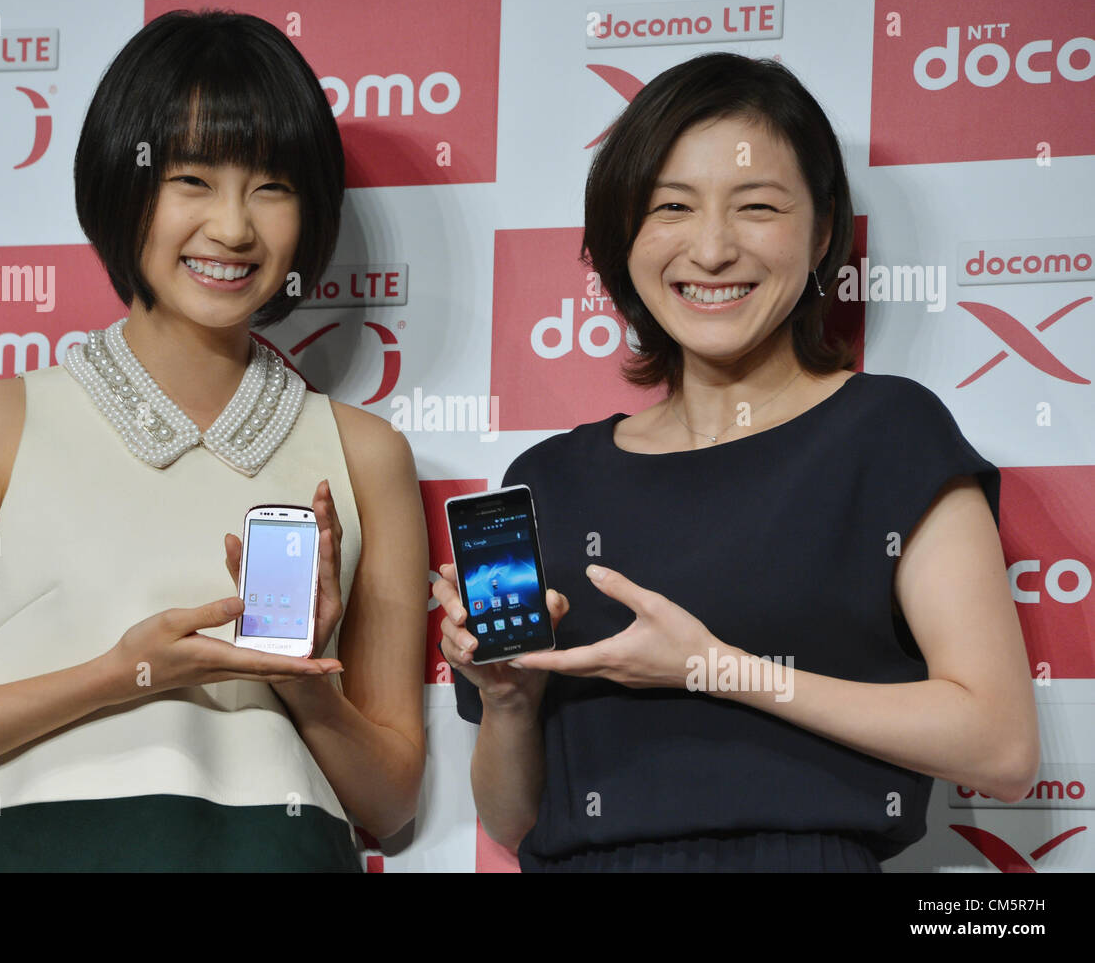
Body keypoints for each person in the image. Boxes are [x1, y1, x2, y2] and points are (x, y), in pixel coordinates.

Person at [0, 10, 427, 872]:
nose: (232, 228)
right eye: (191, 180)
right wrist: (119, 673)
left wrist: (306, 686)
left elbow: (391, 799)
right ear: (122, 183)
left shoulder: (364, 454)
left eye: (272, 186)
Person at [437, 52, 1039, 872]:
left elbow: (1000, 746)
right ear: (623, 234)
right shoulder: (550, 478)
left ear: (823, 230)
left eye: (756, 206)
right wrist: (508, 703)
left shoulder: (888, 433)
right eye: (671, 207)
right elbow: (513, 821)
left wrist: (713, 668)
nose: (712, 248)